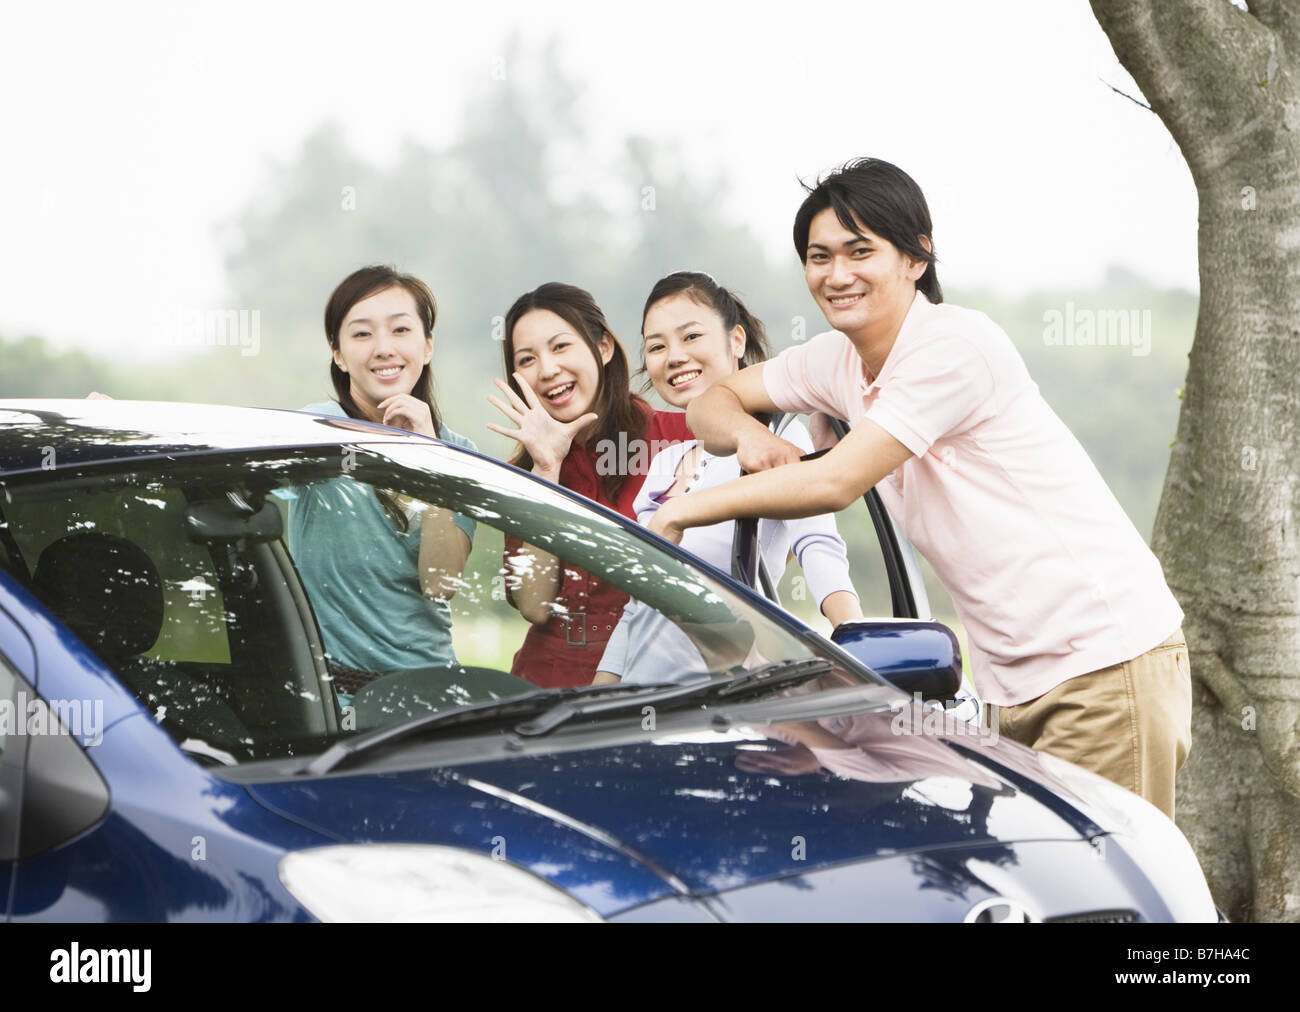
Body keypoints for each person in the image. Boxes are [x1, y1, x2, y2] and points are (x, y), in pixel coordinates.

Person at [649, 159, 1190, 819]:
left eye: (859, 251)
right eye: (819, 256)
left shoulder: (953, 347)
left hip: (1104, 664)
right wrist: (752, 439)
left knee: (1105, 899)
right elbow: (712, 401)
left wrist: (684, 509)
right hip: (1012, 682)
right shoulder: (837, 360)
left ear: (916, 256)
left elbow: (836, 480)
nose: (837, 274)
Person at [593, 271, 862, 685]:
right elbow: (639, 604)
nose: (675, 356)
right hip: (639, 705)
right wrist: (602, 695)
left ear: (736, 341)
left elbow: (817, 541)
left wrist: (857, 641)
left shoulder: (776, 436)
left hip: (721, 700)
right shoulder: (664, 463)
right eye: (657, 346)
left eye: (691, 337)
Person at [487, 282, 691, 688]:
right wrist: (546, 469)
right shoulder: (524, 472)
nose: (547, 370)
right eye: (527, 359)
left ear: (603, 347)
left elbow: (757, 555)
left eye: (561, 347)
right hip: (547, 690)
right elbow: (534, 604)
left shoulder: (682, 438)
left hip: (659, 685)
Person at [290, 265, 477, 694]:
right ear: (337, 354)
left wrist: (431, 455)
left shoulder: (459, 454)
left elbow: (441, 581)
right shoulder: (316, 431)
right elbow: (222, 447)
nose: (383, 348)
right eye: (361, 334)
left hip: (432, 693)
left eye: (400, 330)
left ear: (427, 346)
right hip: (335, 695)